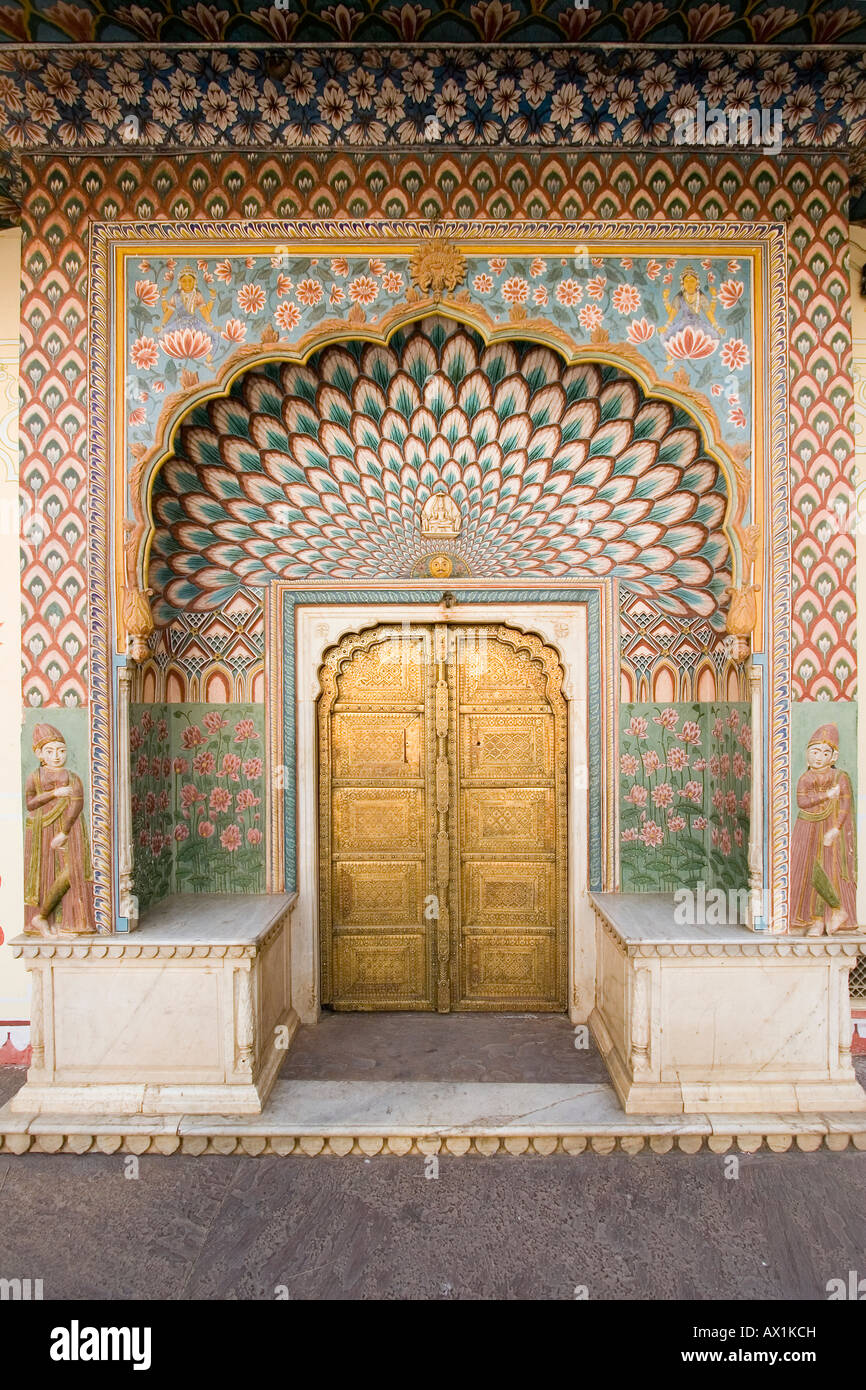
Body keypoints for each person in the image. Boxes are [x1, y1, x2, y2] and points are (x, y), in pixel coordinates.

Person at [23, 724, 95, 937]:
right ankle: (46, 920)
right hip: (41, 829)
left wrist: (63, 832)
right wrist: (54, 793)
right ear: (39, 753)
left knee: (73, 870)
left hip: (69, 830)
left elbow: (77, 804)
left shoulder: (72, 777)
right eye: (50, 751)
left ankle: (59, 920)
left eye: (61, 751)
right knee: (46, 873)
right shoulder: (35, 777)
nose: (56, 756)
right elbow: (30, 803)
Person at [789, 723, 857, 934]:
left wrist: (836, 828)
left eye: (825, 752)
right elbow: (803, 801)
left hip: (829, 827)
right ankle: (823, 915)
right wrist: (826, 795)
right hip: (806, 827)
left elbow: (845, 805)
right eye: (815, 751)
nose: (819, 757)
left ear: (833, 757)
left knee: (828, 869)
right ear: (807, 754)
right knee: (807, 871)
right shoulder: (806, 778)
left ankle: (825, 916)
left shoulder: (840, 777)